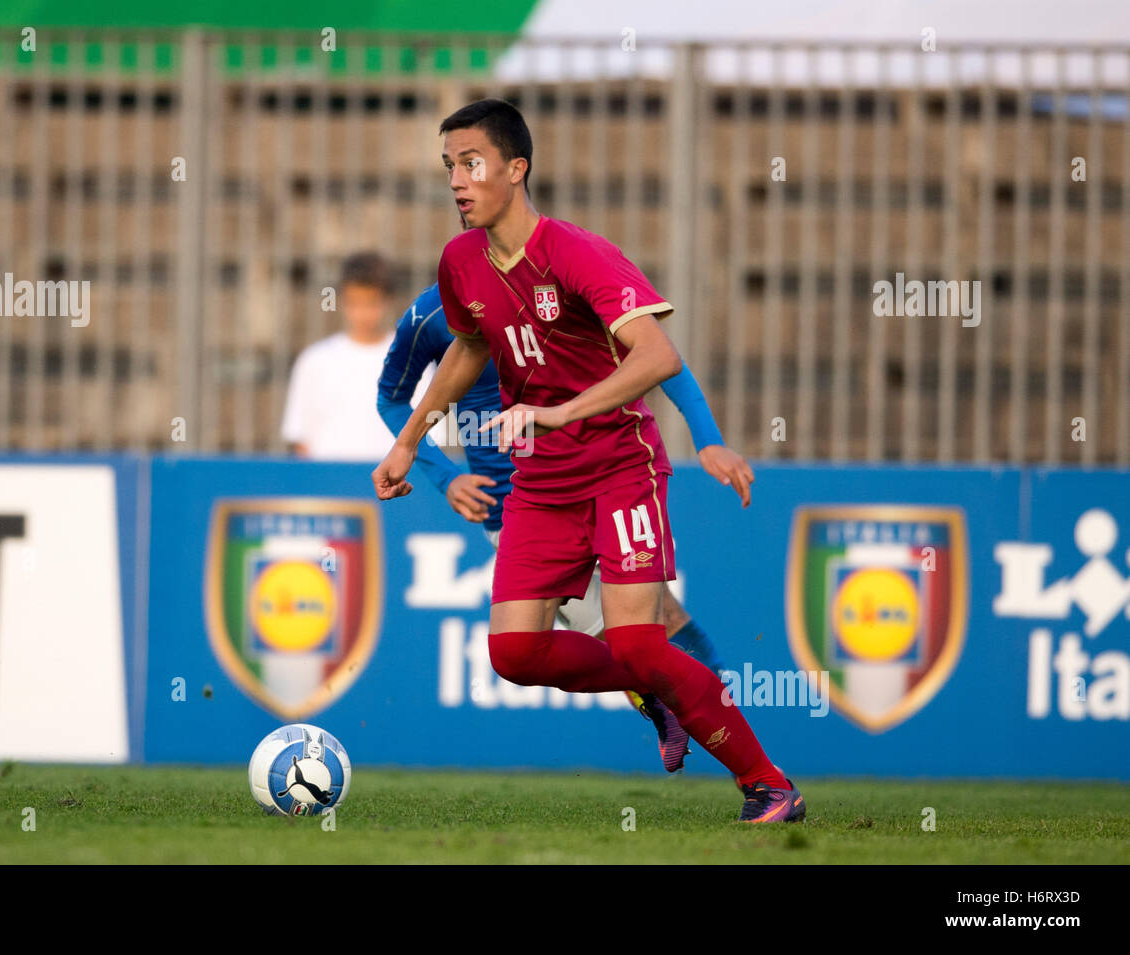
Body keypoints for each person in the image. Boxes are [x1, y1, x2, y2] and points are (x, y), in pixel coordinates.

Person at [373, 99, 804, 822]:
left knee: (640, 636)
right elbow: (472, 346)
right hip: (542, 483)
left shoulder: (576, 252)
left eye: (471, 163)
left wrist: (572, 414)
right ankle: (664, 686)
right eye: (449, 165)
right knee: (515, 652)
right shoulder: (458, 264)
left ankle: (767, 782)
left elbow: (658, 353)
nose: (457, 180)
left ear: (517, 169)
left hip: (617, 466)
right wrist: (412, 439)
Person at [377, 279, 733, 773]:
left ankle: (733, 739)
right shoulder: (430, 317)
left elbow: (654, 355)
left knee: (659, 627)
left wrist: (707, 437)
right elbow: (392, 398)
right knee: (631, 644)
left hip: (600, 477)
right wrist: (446, 477)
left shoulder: (563, 286)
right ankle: (706, 723)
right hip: (520, 508)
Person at [282, 252, 413, 460]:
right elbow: (301, 439)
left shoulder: (414, 359)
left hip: (393, 487)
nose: (362, 313)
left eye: (371, 303)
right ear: (342, 300)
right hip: (327, 487)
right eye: (355, 302)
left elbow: (430, 436)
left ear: (387, 300)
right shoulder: (314, 360)